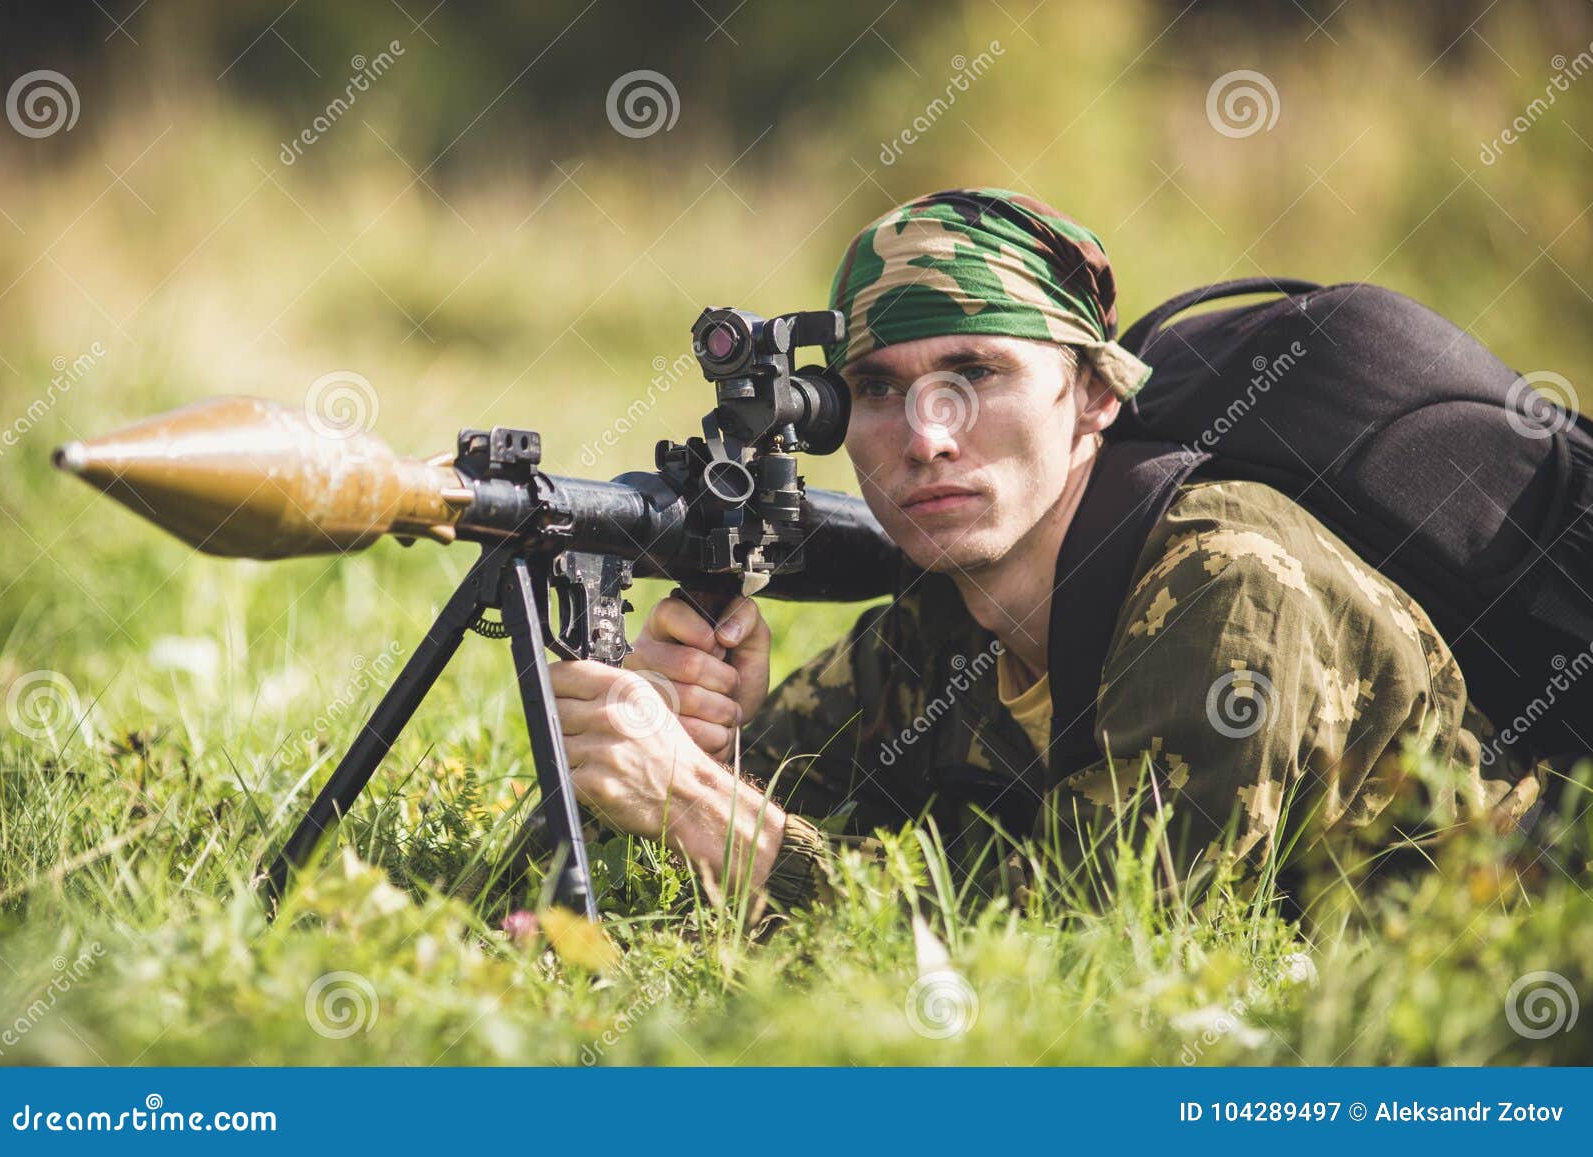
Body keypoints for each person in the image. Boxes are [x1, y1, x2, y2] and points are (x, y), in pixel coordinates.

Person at [547, 187, 1542, 913]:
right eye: (878, 389)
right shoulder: (937, 623)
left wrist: (705, 809)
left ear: (1097, 396)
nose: (926, 435)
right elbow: (584, 899)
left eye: (975, 371)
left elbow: (1086, 952)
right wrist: (686, 740)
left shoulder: (1228, 584)